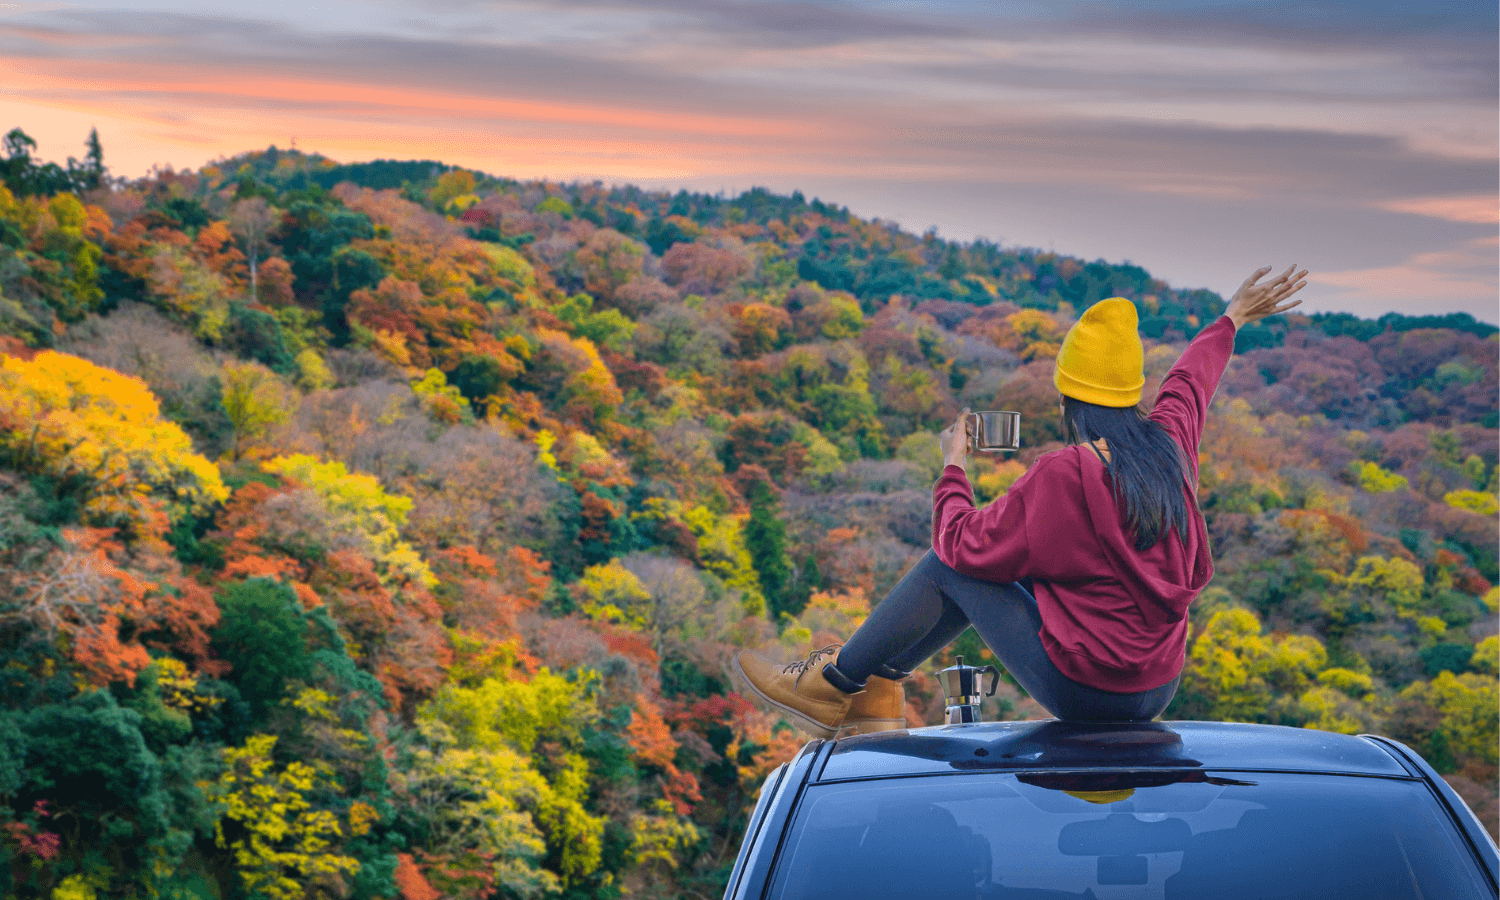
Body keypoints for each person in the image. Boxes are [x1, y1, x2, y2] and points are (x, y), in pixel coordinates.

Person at [735, 265, 1309, 735]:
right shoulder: (1171, 449)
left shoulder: (1063, 475)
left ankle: (836, 687)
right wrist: (1231, 318)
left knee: (951, 566)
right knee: (997, 565)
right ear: (1132, 394)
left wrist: (953, 466)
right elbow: (1191, 384)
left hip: (1088, 691)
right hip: (1156, 686)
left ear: (1069, 399)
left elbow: (959, 546)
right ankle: (872, 688)